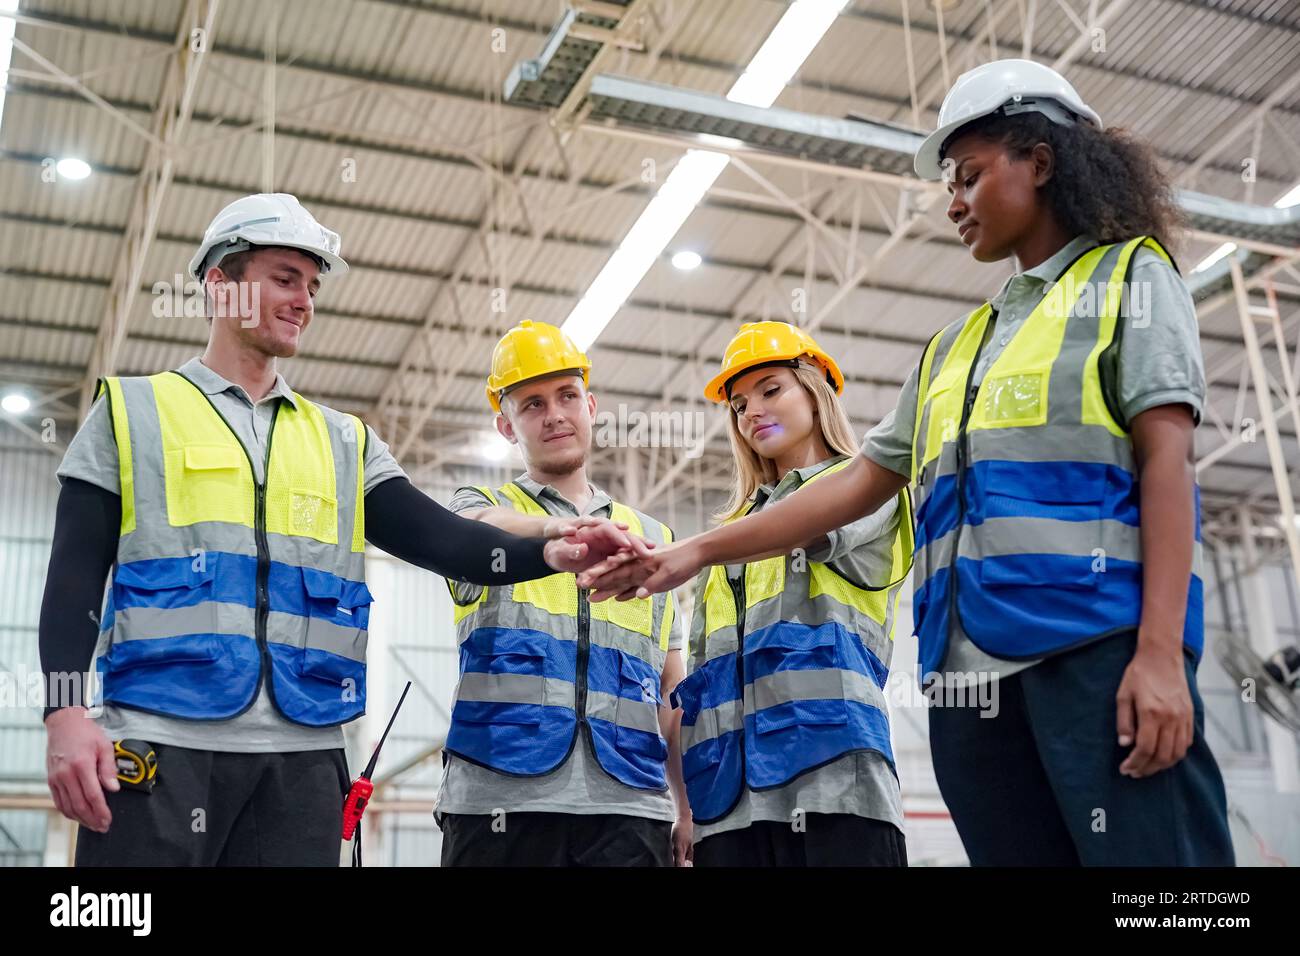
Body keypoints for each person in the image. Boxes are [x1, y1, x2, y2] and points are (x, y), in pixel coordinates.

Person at [579, 59, 1236, 866]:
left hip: (1095, 652)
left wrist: (1163, 654)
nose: (953, 202)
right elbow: (858, 481)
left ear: (1040, 160)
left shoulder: (1129, 277)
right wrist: (692, 553)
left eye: (969, 175)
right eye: (950, 184)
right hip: (970, 685)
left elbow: (1168, 466)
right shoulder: (951, 351)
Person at [40, 194, 640, 866]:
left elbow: (452, 544)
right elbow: (72, 581)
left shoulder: (344, 442)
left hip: (302, 764)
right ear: (220, 284)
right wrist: (64, 713)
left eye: (312, 287)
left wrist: (555, 551)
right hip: (158, 749)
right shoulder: (133, 411)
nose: (304, 301)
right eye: (285, 279)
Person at [435, 320, 689, 867]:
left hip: (631, 808)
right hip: (498, 803)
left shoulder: (653, 536)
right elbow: (470, 528)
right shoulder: (481, 507)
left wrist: (687, 810)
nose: (554, 414)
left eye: (567, 395)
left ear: (591, 406)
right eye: (533, 404)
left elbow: (671, 690)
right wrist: (557, 531)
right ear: (506, 426)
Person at [673, 321, 912, 867]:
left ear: (815, 390)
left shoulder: (865, 485)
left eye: (771, 389)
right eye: (739, 406)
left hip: (833, 779)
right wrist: (686, 808)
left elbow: (807, 528)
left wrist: (693, 549)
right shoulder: (727, 537)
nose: (752, 412)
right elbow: (701, 676)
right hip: (727, 803)